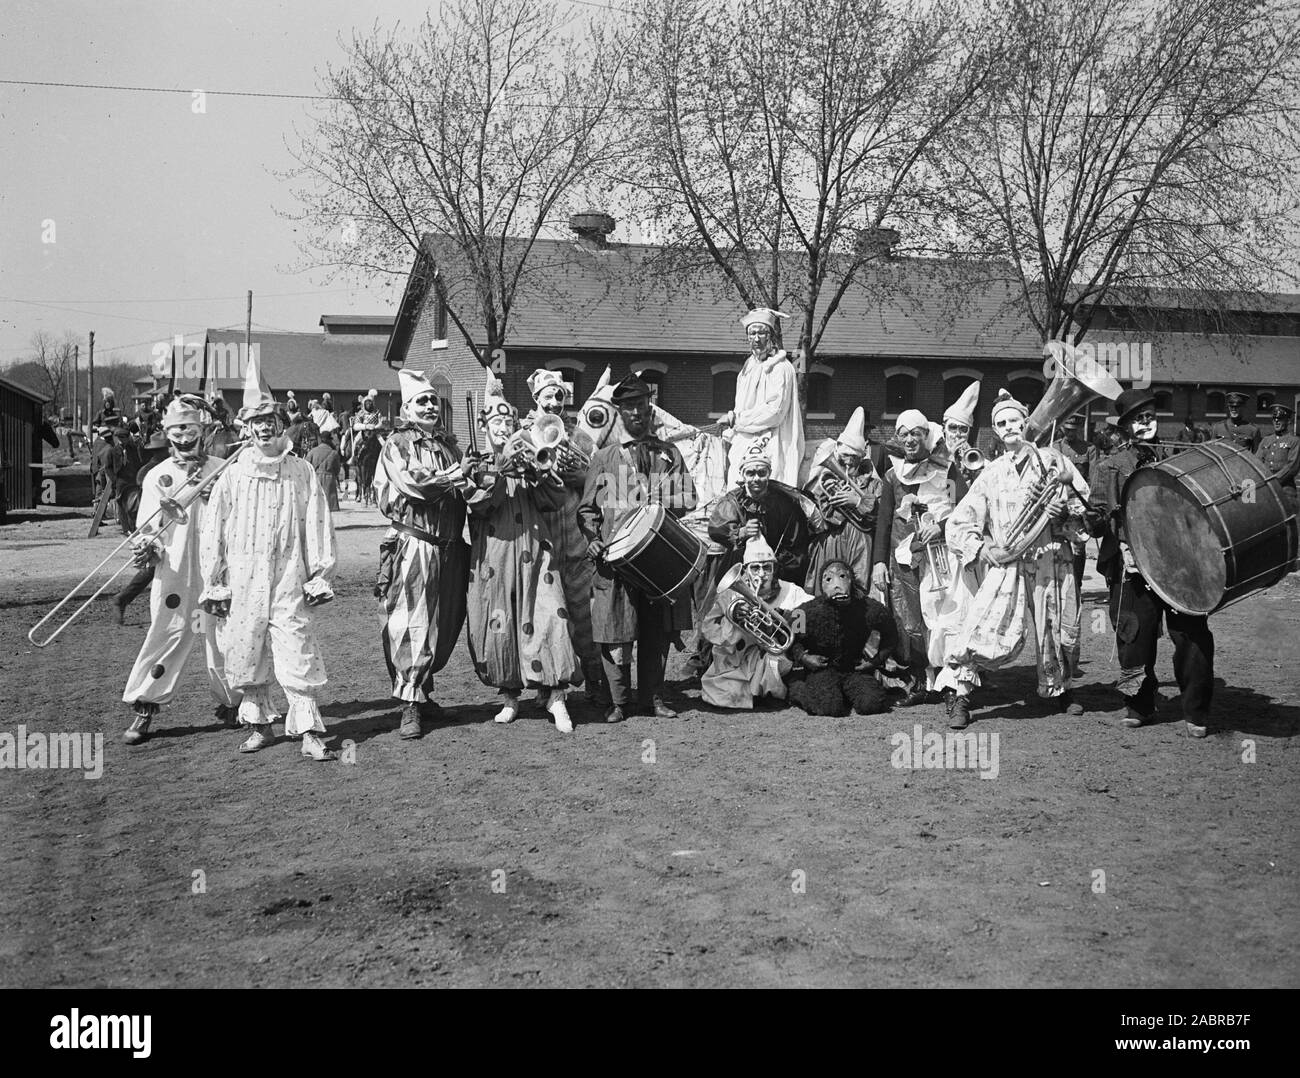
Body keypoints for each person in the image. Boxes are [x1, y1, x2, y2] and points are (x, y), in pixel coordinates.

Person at [198, 354, 338, 760]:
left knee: (297, 646)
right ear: (247, 428)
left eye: (269, 422)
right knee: (245, 647)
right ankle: (258, 725)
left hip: (288, 573)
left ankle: (309, 729)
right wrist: (216, 580)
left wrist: (319, 572)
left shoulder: (300, 471)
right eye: (255, 423)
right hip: (243, 576)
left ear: (280, 424)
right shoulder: (233, 474)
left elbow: (316, 521)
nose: (263, 429)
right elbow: (214, 531)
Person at [937, 390, 1091, 729]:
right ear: (995, 430)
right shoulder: (991, 473)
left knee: (1057, 627)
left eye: (1014, 420)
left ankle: (1061, 690)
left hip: (1052, 558)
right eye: (1001, 423)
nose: (1009, 427)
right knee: (979, 627)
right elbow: (960, 521)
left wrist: (1062, 514)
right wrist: (983, 548)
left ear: (1025, 423)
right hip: (1008, 561)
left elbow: (1084, 515)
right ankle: (961, 696)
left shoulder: (1054, 461)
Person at [1089, 388, 1214, 738]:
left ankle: (1196, 712)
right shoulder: (1109, 465)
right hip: (1131, 566)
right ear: (1125, 425)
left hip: (1181, 566)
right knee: (1133, 636)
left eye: (1149, 415)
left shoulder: (1179, 455)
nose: (1145, 422)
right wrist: (1091, 519)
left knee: (1192, 636)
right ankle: (1139, 705)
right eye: (1136, 418)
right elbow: (1098, 517)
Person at [463, 373, 581, 732]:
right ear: (485, 426)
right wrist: (500, 471)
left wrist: (540, 473)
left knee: (551, 614)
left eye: (508, 421)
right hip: (495, 556)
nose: (503, 427)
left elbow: (554, 501)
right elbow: (478, 505)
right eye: (496, 421)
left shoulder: (530, 455)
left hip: (535, 549)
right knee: (501, 622)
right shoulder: (477, 461)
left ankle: (557, 698)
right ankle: (510, 697)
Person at [578, 374, 698, 723]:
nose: (637, 414)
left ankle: (654, 698)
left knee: (656, 629)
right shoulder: (604, 457)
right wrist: (594, 538)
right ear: (618, 412)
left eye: (643, 407)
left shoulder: (669, 453)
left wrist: (664, 499)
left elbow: (690, 497)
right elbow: (586, 509)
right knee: (615, 628)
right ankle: (617, 701)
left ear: (650, 409)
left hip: (658, 557)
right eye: (630, 407)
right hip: (615, 560)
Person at [121, 397, 241, 744]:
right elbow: (146, 525)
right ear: (167, 435)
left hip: (218, 568)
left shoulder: (224, 468)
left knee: (221, 634)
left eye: (190, 431)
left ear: (202, 432)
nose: (184, 439)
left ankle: (234, 702)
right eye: (176, 432)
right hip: (176, 570)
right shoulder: (158, 477)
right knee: (169, 630)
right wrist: (147, 544)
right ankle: (145, 706)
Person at [373, 369, 470, 740]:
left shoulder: (449, 445)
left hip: (449, 546)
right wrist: (457, 475)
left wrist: (475, 476)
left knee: (442, 624)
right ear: (407, 408)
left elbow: (466, 489)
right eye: (422, 401)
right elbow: (415, 483)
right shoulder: (397, 443)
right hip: (415, 543)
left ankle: (424, 692)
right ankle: (409, 704)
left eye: (433, 400)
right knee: (411, 622)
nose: (430, 406)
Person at [872, 409, 968, 704]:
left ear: (927, 435)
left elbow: (964, 509)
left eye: (916, 433)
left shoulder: (947, 469)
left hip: (941, 559)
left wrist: (940, 527)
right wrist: (878, 562)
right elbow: (885, 520)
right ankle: (920, 682)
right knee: (910, 620)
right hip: (904, 560)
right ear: (898, 438)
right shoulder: (892, 475)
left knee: (943, 617)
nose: (910, 440)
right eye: (904, 434)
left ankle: (950, 682)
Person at [523, 368, 607, 706]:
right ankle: (547, 684)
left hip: (575, 537)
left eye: (560, 396)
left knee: (583, 613)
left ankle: (594, 678)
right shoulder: (524, 434)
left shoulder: (581, 437)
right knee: (544, 616)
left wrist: (582, 476)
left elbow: (601, 481)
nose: (555, 402)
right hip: (539, 540)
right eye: (549, 396)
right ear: (536, 399)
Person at [698, 535, 812, 709]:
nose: (761, 574)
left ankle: (768, 693)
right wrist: (732, 618)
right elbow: (707, 627)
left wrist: (783, 617)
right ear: (745, 570)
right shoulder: (732, 595)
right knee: (721, 692)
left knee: (775, 663)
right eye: (755, 568)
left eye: (767, 568)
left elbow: (808, 616)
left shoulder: (791, 590)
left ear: (775, 569)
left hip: (776, 656)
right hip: (738, 660)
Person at [721, 308, 804, 488]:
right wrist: (732, 425)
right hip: (744, 438)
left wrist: (736, 419)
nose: (757, 339)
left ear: (771, 336)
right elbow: (740, 407)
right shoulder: (747, 369)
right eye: (752, 333)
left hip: (773, 440)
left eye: (762, 333)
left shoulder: (780, 368)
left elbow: (775, 412)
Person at [803, 407, 881, 593]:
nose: (848, 461)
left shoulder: (874, 483)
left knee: (858, 590)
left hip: (860, 544)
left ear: (862, 457)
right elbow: (822, 518)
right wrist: (836, 503)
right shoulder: (825, 479)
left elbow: (879, 519)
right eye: (845, 455)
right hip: (832, 541)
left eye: (854, 457)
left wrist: (856, 501)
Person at [113, 429, 174, 624]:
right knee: (155, 566)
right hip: (157, 524)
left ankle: (124, 598)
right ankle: (123, 598)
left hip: (164, 522)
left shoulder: (150, 468)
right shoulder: (153, 471)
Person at [1258, 400, 1300, 515]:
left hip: (1285, 490)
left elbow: (1292, 467)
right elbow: (1256, 463)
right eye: (1274, 419)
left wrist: (1272, 482)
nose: (1276, 421)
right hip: (1265, 490)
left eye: (1280, 419)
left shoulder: (1294, 441)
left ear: (1288, 421)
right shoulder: (1266, 440)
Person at [942, 381, 982, 485]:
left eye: (963, 429)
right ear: (944, 429)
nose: (958, 434)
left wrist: (975, 467)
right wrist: (950, 456)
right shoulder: (933, 454)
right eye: (953, 428)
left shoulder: (978, 458)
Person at [307, 432, 342, 512]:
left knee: (316, 505)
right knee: (328, 507)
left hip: (315, 478)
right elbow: (337, 469)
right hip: (329, 479)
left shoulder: (312, 451)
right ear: (329, 440)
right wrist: (334, 476)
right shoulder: (334, 453)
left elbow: (306, 466)